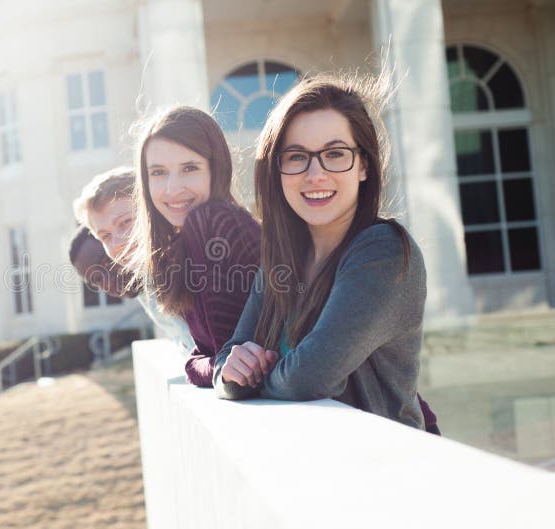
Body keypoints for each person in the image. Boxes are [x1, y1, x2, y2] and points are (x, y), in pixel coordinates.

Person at [213, 75, 436, 430]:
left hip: (386, 471)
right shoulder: (281, 260)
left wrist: (255, 380)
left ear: (364, 165)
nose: (315, 174)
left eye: (335, 154)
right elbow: (229, 355)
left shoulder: (384, 252)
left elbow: (311, 376)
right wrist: (232, 372)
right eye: (296, 156)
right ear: (277, 169)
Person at [125, 106, 261, 388]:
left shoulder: (213, 223)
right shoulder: (180, 244)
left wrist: (210, 366)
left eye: (189, 168)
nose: (173, 188)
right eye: (159, 172)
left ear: (216, 168)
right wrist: (208, 366)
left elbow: (229, 369)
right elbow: (200, 361)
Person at [71, 167, 194, 352]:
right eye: (105, 236)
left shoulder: (193, 263)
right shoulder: (149, 286)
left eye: (126, 222)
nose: (107, 284)